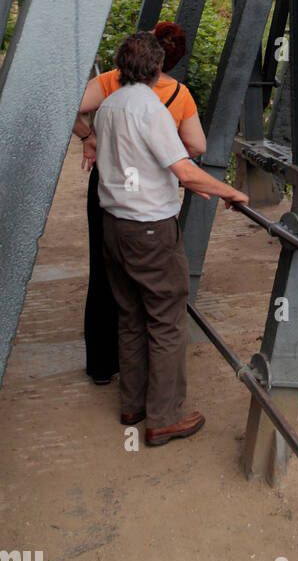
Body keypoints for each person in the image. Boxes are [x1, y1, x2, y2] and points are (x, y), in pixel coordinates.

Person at [74, 31, 249, 446]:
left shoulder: (110, 105)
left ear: (121, 66)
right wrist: (228, 191)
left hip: (114, 223)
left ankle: (132, 405)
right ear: (157, 68)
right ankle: (165, 418)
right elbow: (184, 169)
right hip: (149, 227)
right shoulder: (151, 109)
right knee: (168, 321)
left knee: (131, 317)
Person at [74, 22, 204, 385]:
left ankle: (102, 365)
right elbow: (196, 146)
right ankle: (147, 367)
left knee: (103, 271)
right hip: (149, 195)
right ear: (167, 61)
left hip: (109, 184)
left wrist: (88, 136)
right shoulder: (179, 95)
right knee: (155, 284)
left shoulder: (112, 81)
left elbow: (68, 104)